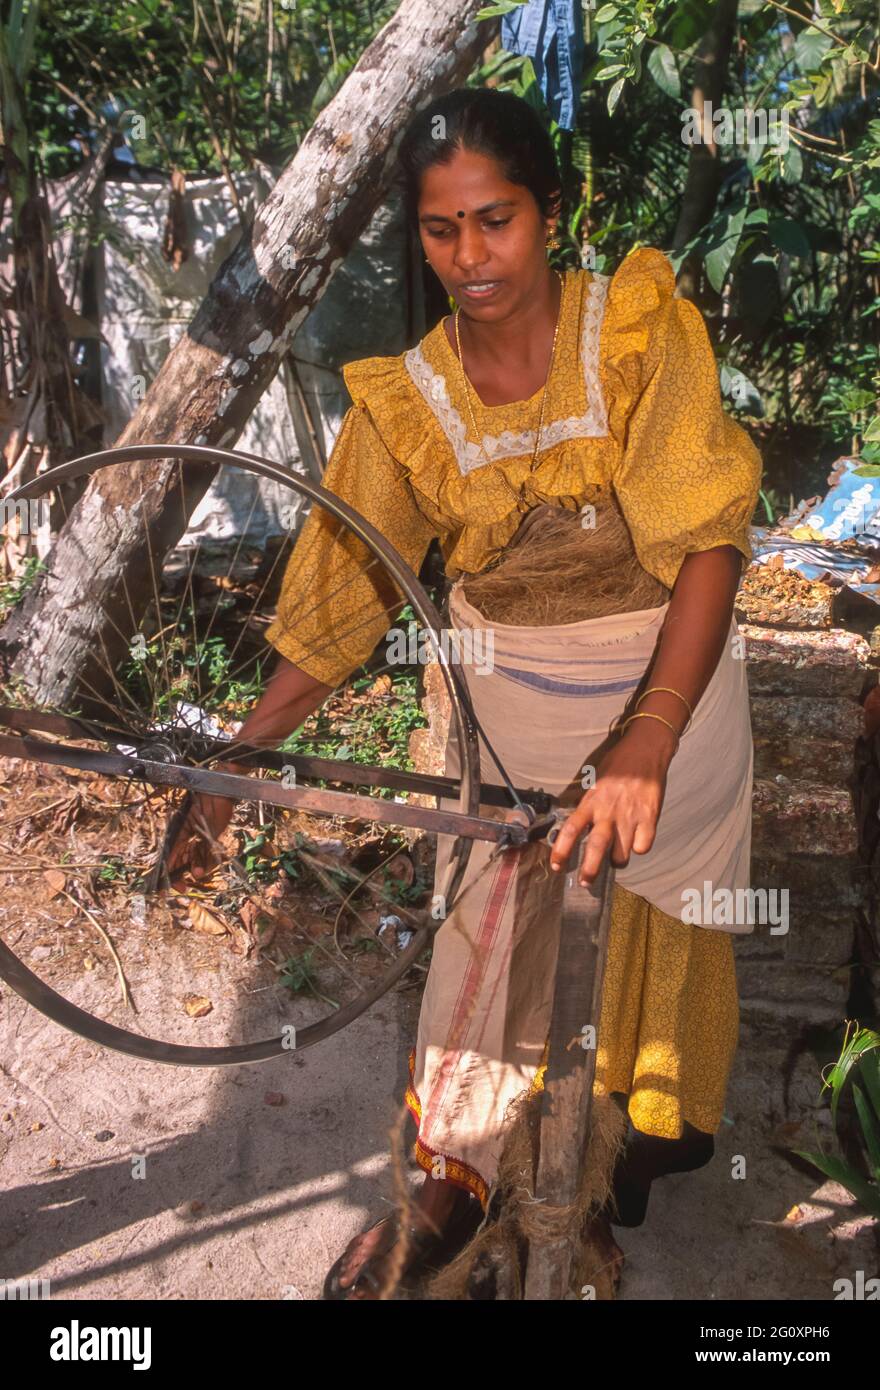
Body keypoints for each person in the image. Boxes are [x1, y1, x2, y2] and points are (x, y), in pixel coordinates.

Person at [167, 87, 762, 1300]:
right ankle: (455, 1184)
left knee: (631, 991)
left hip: (673, 704)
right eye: (441, 231)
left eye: (495, 220)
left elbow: (708, 543)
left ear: (551, 211)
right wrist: (230, 775)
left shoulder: (642, 332)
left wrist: (645, 744)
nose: (470, 258)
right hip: (511, 720)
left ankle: (590, 1198)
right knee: (489, 947)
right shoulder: (407, 403)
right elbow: (343, 607)